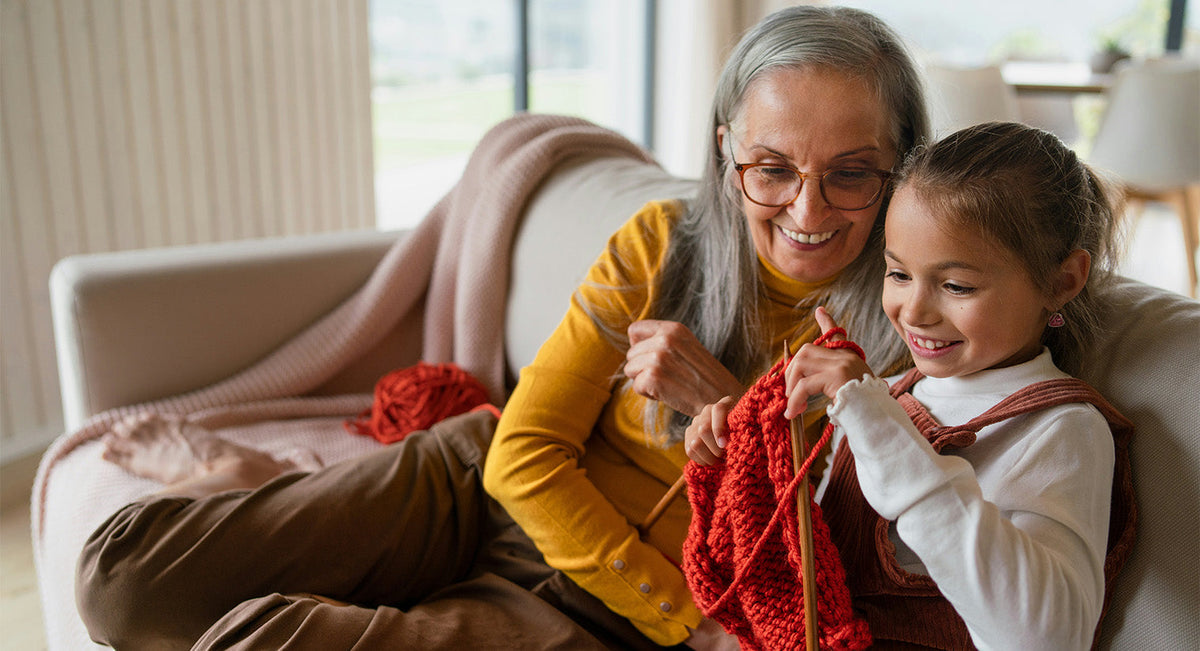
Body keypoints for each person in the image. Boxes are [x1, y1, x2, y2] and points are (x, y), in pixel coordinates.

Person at [76, 5, 929, 649]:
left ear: (900, 169)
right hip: (479, 487)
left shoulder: (912, 332)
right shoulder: (660, 242)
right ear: (724, 152)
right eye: (771, 168)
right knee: (120, 581)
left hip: (593, 622)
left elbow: (826, 567)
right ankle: (246, 474)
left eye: (851, 174)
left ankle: (289, 509)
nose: (807, 210)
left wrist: (728, 411)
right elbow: (522, 453)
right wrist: (684, 615)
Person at [686, 122, 1134, 649]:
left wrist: (879, 428)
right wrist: (746, 466)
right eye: (898, 274)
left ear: (1062, 282)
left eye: (957, 285)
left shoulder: (1061, 430)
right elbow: (820, 568)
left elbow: (1049, 636)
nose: (915, 312)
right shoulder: (892, 392)